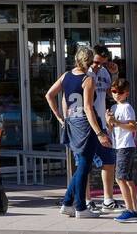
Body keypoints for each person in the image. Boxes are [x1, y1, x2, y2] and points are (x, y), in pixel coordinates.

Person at [46, 45, 110, 219]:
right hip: (85, 124)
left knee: (81, 165)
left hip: (71, 121)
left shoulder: (66, 76)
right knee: (84, 166)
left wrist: (59, 117)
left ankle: (67, 203)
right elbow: (89, 108)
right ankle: (80, 206)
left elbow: (49, 95)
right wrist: (99, 132)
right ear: (89, 61)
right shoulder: (88, 79)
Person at [107, 78, 137, 223]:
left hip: (126, 145)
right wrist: (110, 122)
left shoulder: (127, 107)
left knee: (120, 178)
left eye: (119, 92)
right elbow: (112, 128)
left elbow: (133, 127)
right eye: (113, 91)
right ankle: (133, 209)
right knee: (127, 179)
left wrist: (117, 122)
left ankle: (130, 210)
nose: (116, 95)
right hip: (119, 145)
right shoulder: (114, 108)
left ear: (126, 93)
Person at [91, 44, 119, 212]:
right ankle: (86, 199)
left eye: (103, 63)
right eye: (96, 62)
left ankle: (108, 199)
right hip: (87, 124)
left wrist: (114, 73)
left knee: (108, 161)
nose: (99, 66)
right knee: (84, 164)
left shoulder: (103, 72)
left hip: (102, 121)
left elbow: (111, 92)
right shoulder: (82, 73)